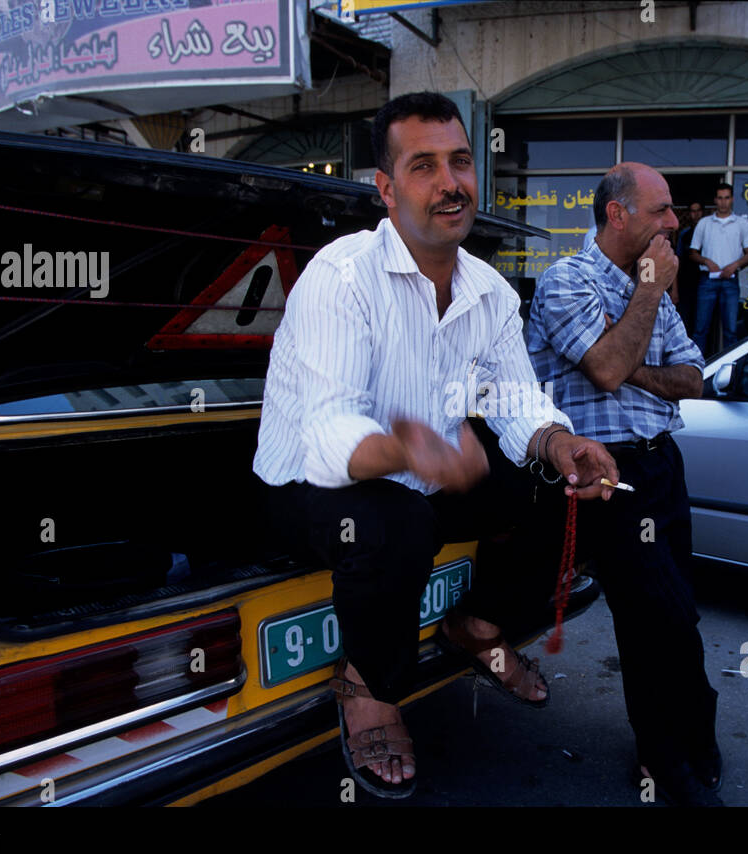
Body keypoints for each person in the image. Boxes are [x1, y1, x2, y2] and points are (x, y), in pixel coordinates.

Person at [253, 92, 618, 799]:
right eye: (423, 166)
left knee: (573, 487)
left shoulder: (488, 291)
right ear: (386, 190)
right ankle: (368, 681)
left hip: (425, 477)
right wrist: (407, 450)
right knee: (397, 518)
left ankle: (475, 626)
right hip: (306, 485)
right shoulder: (342, 276)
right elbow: (327, 436)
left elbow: (517, 401)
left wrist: (560, 443)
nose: (450, 183)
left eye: (459, 161)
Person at [526, 161, 722, 807]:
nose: (674, 224)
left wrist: (630, 360)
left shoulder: (657, 292)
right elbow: (607, 369)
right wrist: (642, 306)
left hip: (662, 462)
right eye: (662, 210)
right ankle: (667, 763)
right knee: (652, 619)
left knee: (680, 611)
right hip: (606, 472)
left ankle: (692, 734)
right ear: (617, 214)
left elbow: (692, 377)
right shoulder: (567, 282)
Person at [688, 182, 748, 355]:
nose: (723, 202)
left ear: (732, 199)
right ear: (715, 200)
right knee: (701, 329)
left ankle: (729, 372)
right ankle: (697, 369)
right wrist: (706, 261)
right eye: (720, 198)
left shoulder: (741, 223)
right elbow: (692, 253)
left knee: (731, 331)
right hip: (707, 280)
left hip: (730, 281)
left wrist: (735, 265)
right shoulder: (704, 223)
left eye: (727, 198)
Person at [675, 202, 705, 334]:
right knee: (685, 322)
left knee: (702, 323)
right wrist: (675, 289)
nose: (696, 214)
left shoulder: (708, 232)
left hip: (704, 283)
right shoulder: (685, 234)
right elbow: (677, 260)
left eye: (698, 211)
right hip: (686, 285)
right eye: (693, 211)